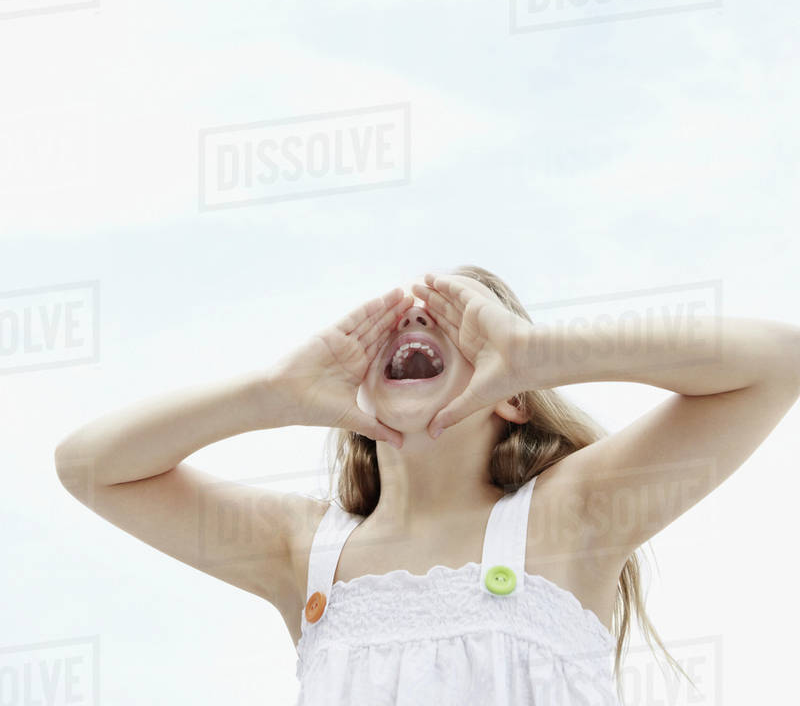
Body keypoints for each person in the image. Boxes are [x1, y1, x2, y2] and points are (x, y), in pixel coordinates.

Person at [54, 265, 800, 704]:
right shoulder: (305, 552)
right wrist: (272, 394)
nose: (417, 323)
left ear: (513, 395)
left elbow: (776, 362)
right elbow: (90, 465)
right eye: (397, 329)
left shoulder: (573, 515)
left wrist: (540, 350)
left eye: (458, 327)